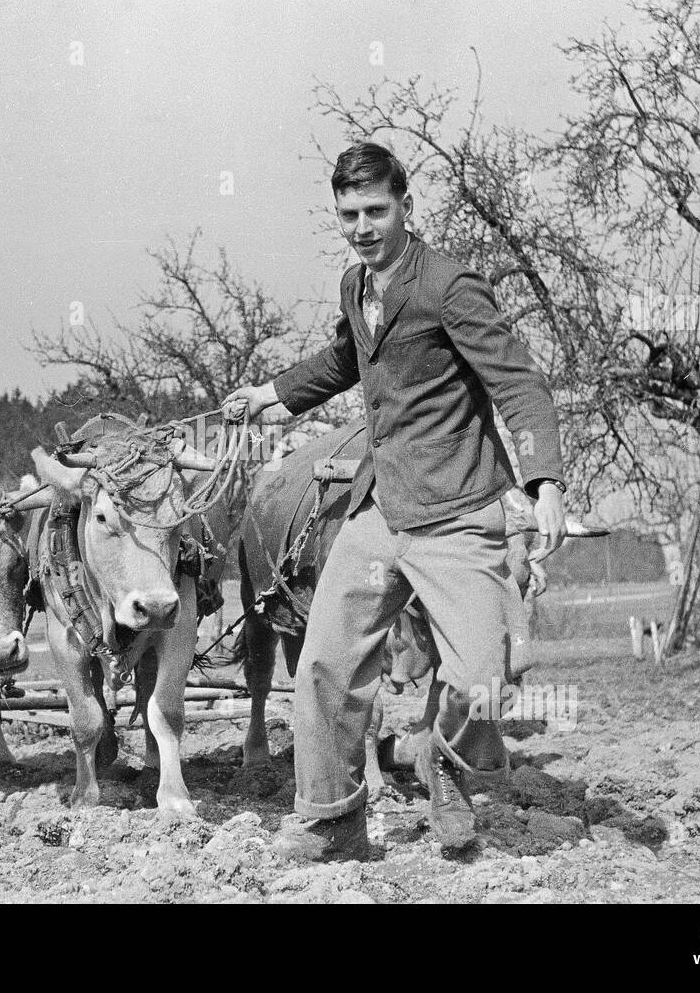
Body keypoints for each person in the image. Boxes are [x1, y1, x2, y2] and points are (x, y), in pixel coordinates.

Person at [223, 141, 567, 860]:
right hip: (380, 511)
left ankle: (439, 754)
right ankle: (332, 820)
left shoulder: (450, 285)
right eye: (349, 213)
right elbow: (348, 358)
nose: (362, 225)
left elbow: (520, 385)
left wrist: (546, 482)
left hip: (459, 514)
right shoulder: (356, 285)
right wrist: (271, 395)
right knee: (323, 662)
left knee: (480, 685)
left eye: (376, 210)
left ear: (406, 206)